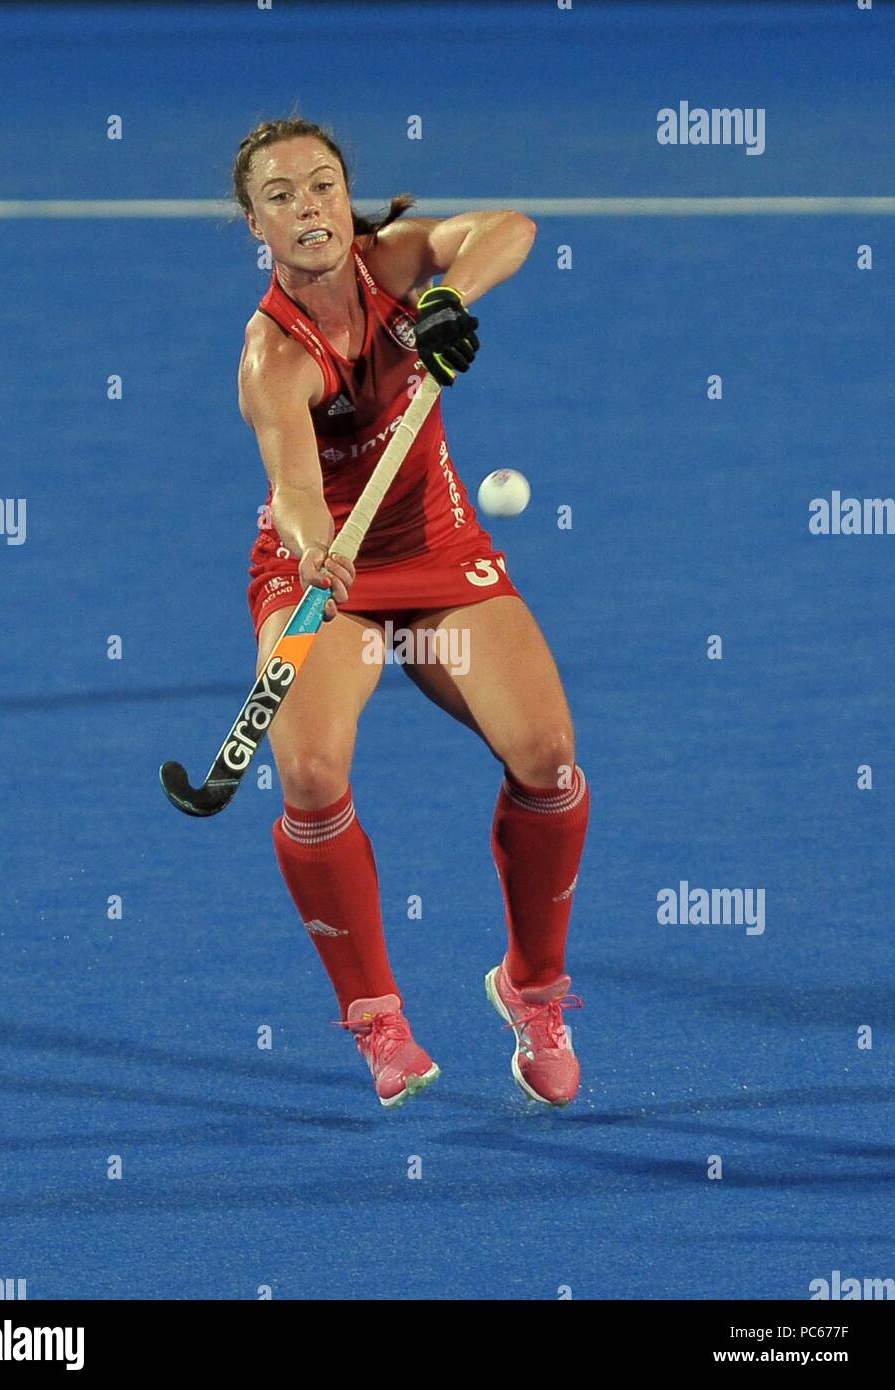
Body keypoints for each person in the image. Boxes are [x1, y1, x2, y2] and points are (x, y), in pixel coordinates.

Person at [233, 117, 590, 1109]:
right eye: (282, 195)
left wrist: (445, 298)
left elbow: (510, 228)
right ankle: (374, 1014)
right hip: (323, 576)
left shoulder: (393, 260)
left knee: (548, 759)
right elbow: (298, 495)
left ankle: (531, 987)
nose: (309, 207)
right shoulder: (272, 358)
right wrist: (315, 557)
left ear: (347, 193)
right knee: (306, 774)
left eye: (322, 185)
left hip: (437, 556)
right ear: (253, 222)